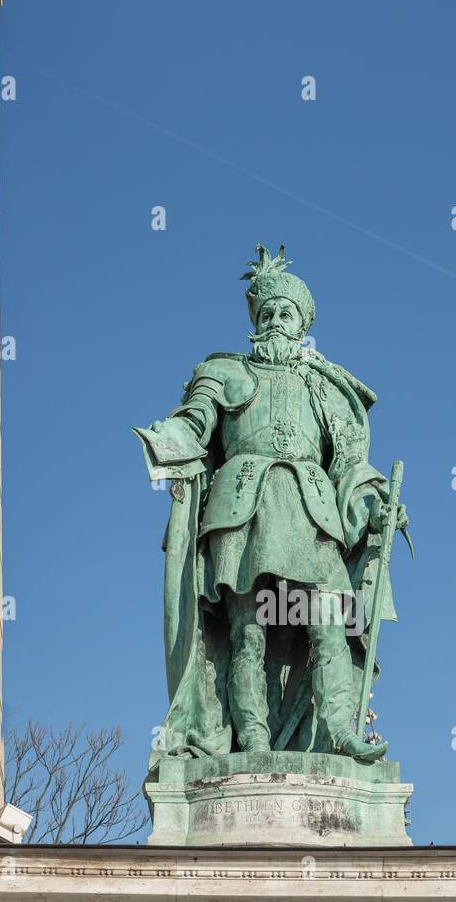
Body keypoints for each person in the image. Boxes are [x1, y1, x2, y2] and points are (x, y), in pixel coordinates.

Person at [135, 243, 408, 762]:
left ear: (303, 324)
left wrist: (375, 506)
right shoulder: (224, 371)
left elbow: (350, 464)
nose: (277, 322)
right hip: (242, 509)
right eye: (268, 313)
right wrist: (166, 438)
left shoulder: (326, 388)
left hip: (313, 514)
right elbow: (194, 423)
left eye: (288, 314)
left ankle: (339, 733)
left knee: (329, 619)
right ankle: (254, 740)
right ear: (255, 321)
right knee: (248, 632)